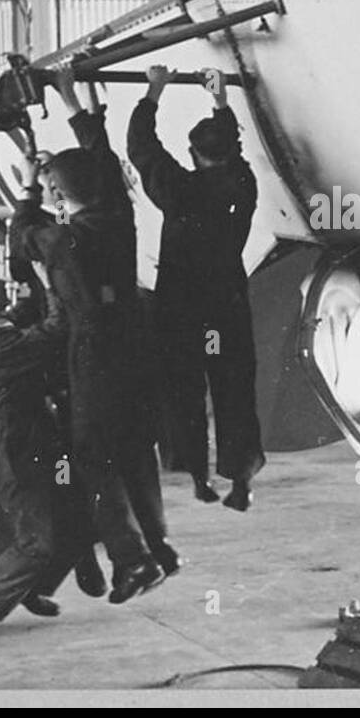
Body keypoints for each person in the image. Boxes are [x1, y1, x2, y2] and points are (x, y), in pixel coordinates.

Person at [11, 67, 178, 603]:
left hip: (95, 354)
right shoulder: (119, 219)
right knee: (135, 451)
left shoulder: (63, 241)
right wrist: (68, 97)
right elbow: (103, 162)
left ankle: (133, 560)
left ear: (60, 192)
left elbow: (21, 237)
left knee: (95, 458)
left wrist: (27, 182)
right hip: (137, 345)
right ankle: (161, 547)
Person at [126, 65, 265, 511]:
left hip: (181, 310)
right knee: (234, 391)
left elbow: (141, 149)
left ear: (191, 153)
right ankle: (241, 480)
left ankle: (199, 478)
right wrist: (221, 99)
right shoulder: (243, 184)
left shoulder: (178, 190)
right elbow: (235, 152)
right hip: (225, 305)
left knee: (184, 390)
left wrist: (154, 91)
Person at [0, 262, 91, 634]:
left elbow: (27, 319)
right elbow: (55, 329)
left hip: (37, 446)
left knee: (78, 521)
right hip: (16, 456)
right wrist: (49, 279)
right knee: (37, 542)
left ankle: (30, 588)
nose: (1, 282)